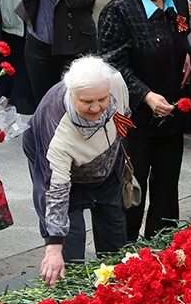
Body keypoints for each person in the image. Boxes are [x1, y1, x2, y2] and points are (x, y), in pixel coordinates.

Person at [97, 0, 191, 240]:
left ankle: (162, 243)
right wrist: (146, 95)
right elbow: (112, 65)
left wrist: (184, 53)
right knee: (132, 186)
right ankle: (125, 247)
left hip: (171, 109)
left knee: (167, 184)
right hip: (134, 116)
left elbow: (181, 31)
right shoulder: (119, 10)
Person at [24, 56, 131, 285]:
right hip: (66, 178)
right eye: (87, 101)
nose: (96, 107)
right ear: (71, 94)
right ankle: (72, 289)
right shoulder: (56, 128)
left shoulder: (116, 83)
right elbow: (54, 190)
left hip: (106, 167)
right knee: (70, 245)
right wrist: (54, 246)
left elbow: (124, 119)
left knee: (114, 235)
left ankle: (115, 287)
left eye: (102, 99)